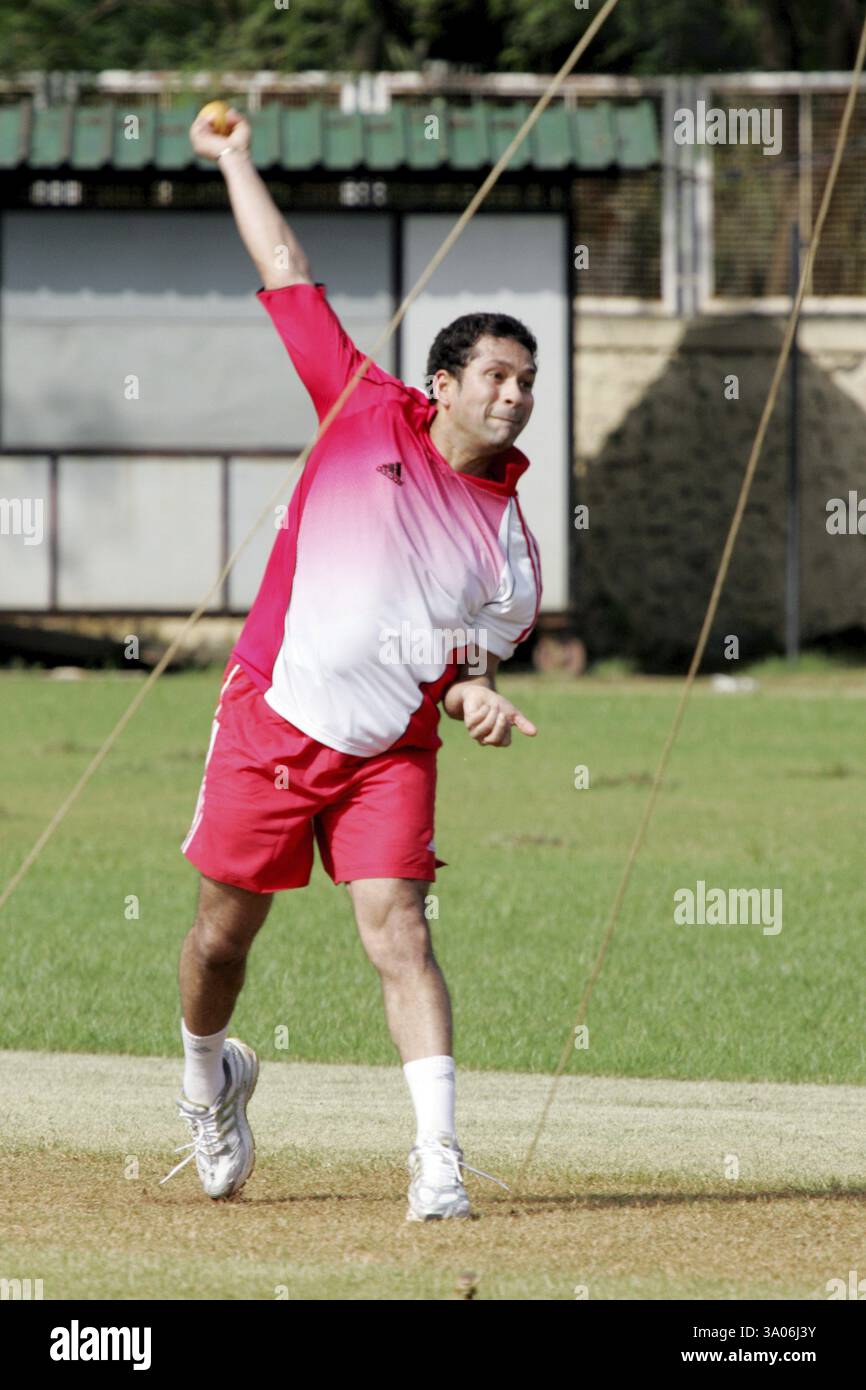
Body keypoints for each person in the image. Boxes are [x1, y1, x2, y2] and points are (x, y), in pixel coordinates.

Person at [162, 105, 543, 1221]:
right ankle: (209, 1079)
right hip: (274, 722)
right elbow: (283, 263)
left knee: (401, 931)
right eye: (496, 377)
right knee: (220, 941)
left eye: (526, 381)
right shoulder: (358, 404)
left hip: (388, 752)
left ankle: (437, 1159)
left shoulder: (507, 537)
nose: (514, 395)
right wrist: (234, 155)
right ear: (442, 382)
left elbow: (475, 650)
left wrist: (473, 686)